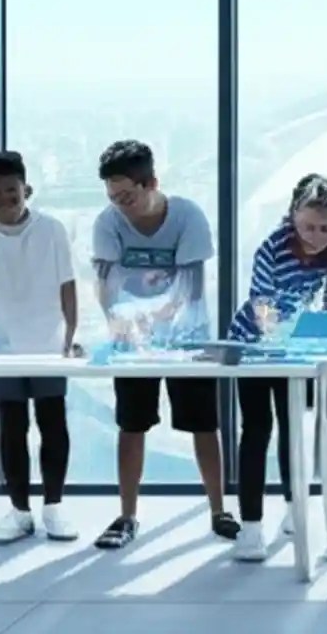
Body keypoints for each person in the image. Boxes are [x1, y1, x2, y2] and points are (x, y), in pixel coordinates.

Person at [90, 139, 237, 549]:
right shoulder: (108, 222)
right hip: (131, 341)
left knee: (204, 424)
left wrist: (152, 317)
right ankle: (127, 515)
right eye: (114, 197)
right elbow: (105, 282)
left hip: (187, 338)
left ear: (151, 182)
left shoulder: (188, 216)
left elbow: (189, 289)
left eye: (128, 195)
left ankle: (219, 510)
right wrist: (119, 321)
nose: (121, 205)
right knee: (131, 424)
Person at [0, 151, 79, 544]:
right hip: (2, 348)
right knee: (12, 428)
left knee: (52, 423)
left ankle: (55, 507)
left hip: (48, 345)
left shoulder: (52, 230)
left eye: (11, 192)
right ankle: (20, 511)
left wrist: (70, 336)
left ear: (26, 190)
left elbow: (68, 285)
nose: (4, 201)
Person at [229, 174, 327, 562]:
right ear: (293, 216)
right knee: (256, 429)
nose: (316, 236)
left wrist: (321, 342)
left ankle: (292, 508)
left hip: (297, 350)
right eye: (307, 227)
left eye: (325, 229)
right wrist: (278, 338)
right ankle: (250, 527)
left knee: (293, 428)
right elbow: (261, 304)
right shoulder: (272, 247)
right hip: (252, 347)